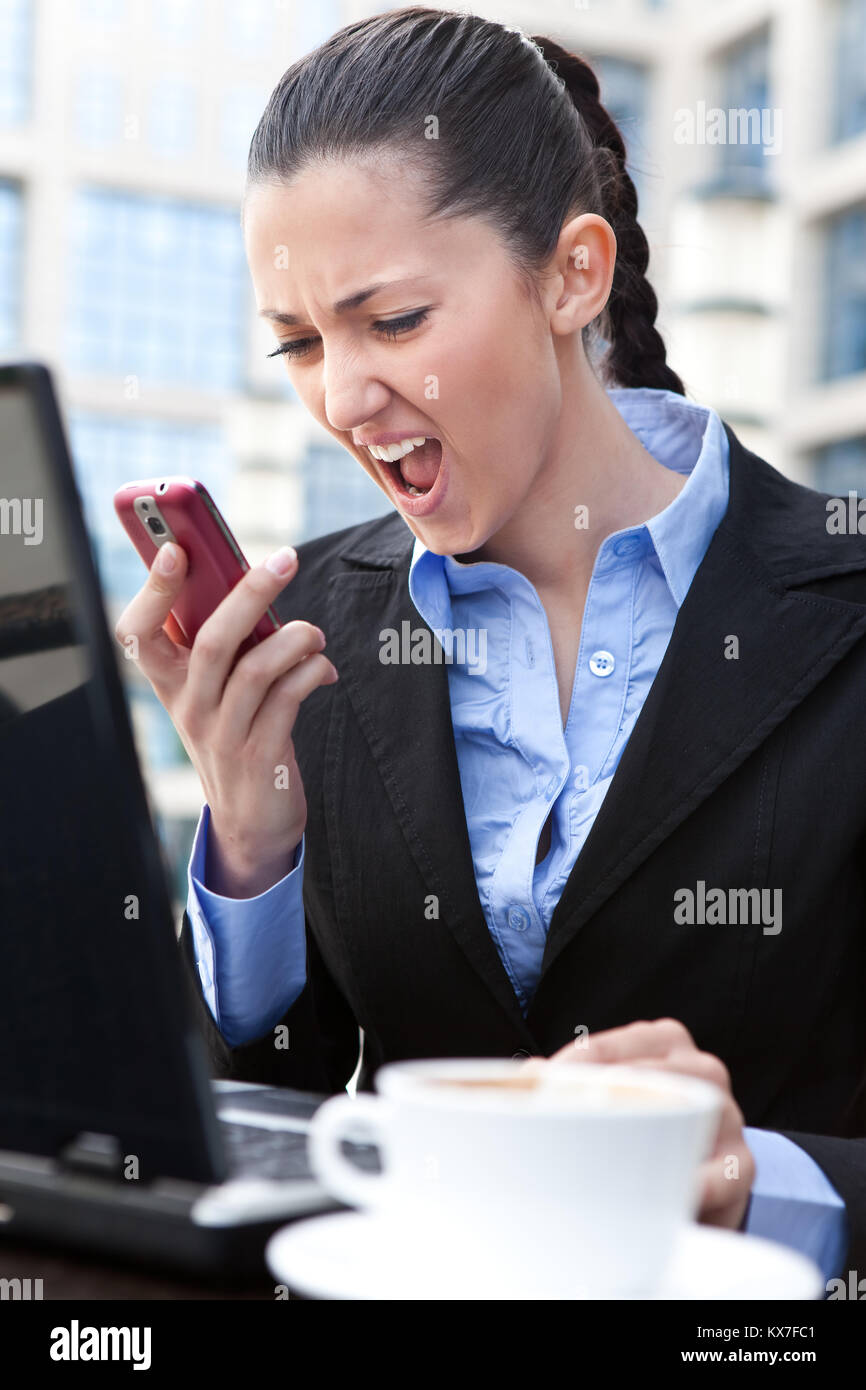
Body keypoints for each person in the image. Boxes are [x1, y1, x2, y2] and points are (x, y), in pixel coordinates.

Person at [114, 9, 866, 1288]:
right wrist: (251, 844)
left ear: (570, 274)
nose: (341, 398)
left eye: (392, 321)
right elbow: (269, 1121)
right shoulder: (322, 635)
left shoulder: (839, 606)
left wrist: (769, 1185)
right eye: (298, 341)